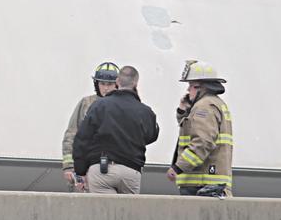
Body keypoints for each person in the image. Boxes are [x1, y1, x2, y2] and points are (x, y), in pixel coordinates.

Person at [72, 65, 159, 194]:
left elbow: (82, 139)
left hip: (102, 170)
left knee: (102, 212)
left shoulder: (99, 106)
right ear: (136, 83)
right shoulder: (144, 111)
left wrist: (80, 171)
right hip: (131, 171)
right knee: (128, 213)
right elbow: (152, 135)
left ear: (117, 81)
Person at [166, 60, 234, 197]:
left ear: (200, 87)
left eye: (191, 85)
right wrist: (183, 111)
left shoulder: (204, 106)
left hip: (202, 182)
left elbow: (203, 142)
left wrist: (178, 167)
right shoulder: (215, 104)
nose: (187, 90)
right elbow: (193, 129)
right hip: (210, 183)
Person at [62, 61, 119, 191]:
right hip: (86, 169)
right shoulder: (86, 103)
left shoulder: (123, 106)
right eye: (102, 83)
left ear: (117, 84)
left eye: (110, 84)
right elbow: (71, 135)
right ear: (96, 84)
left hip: (114, 169)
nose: (105, 88)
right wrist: (69, 166)